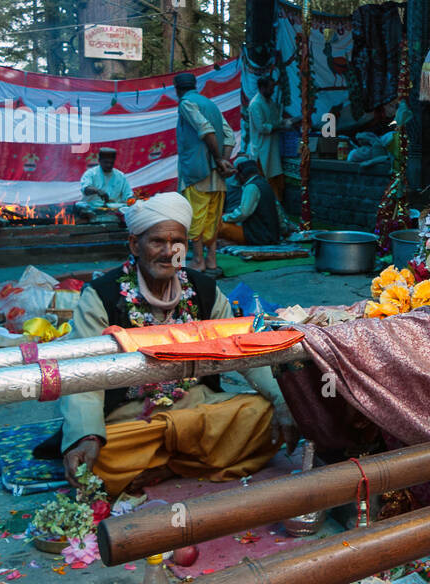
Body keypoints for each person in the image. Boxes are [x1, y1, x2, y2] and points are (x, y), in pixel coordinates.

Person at [59, 191, 289, 497]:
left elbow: (242, 348)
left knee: (264, 415)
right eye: (158, 242)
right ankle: (188, 461)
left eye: (177, 242)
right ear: (134, 245)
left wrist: (283, 400)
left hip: (198, 406)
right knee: (102, 457)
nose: (169, 252)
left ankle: (167, 466)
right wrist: (86, 436)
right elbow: (84, 373)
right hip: (133, 416)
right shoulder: (101, 296)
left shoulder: (204, 289)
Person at [174, 71, 235, 277]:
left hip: (197, 172)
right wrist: (224, 162)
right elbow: (229, 136)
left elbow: (205, 129)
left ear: (177, 89)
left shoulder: (186, 103)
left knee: (195, 217)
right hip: (217, 176)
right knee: (212, 218)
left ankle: (198, 260)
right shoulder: (211, 105)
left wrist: (219, 160)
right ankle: (211, 259)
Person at [246, 75, 290, 201]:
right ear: (261, 88)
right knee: (264, 179)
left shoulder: (270, 102)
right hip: (261, 149)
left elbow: (277, 120)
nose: (273, 91)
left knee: (276, 177)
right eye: (270, 88)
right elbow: (262, 128)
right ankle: (268, 206)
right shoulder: (255, 104)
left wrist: (287, 122)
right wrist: (280, 126)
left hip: (273, 148)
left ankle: (278, 207)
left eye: (273, 88)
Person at [220, 159, 283, 246]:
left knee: (218, 225)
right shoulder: (264, 183)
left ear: (241, 176)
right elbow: (278, 211)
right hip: (270, 235)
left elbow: (243, 213)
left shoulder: (252, 187)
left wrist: (223, 218)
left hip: (257, 236)